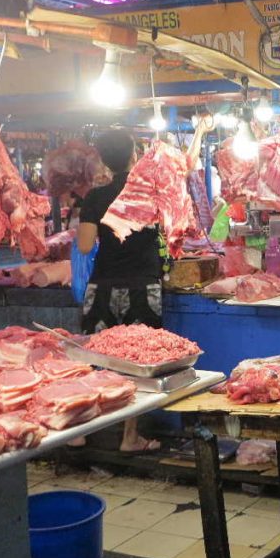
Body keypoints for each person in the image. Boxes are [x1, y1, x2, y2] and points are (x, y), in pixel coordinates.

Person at [77, 121, 212, 452]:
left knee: (92, 356)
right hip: (142, 284)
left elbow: (83, 245)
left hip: (103, 284)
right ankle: (129, 437)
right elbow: (184, 174)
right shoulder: (152, 189)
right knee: (139, 361)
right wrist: (200, 133)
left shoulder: (94, 197)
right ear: (135, 155)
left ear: (104, 161)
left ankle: (78, 430)